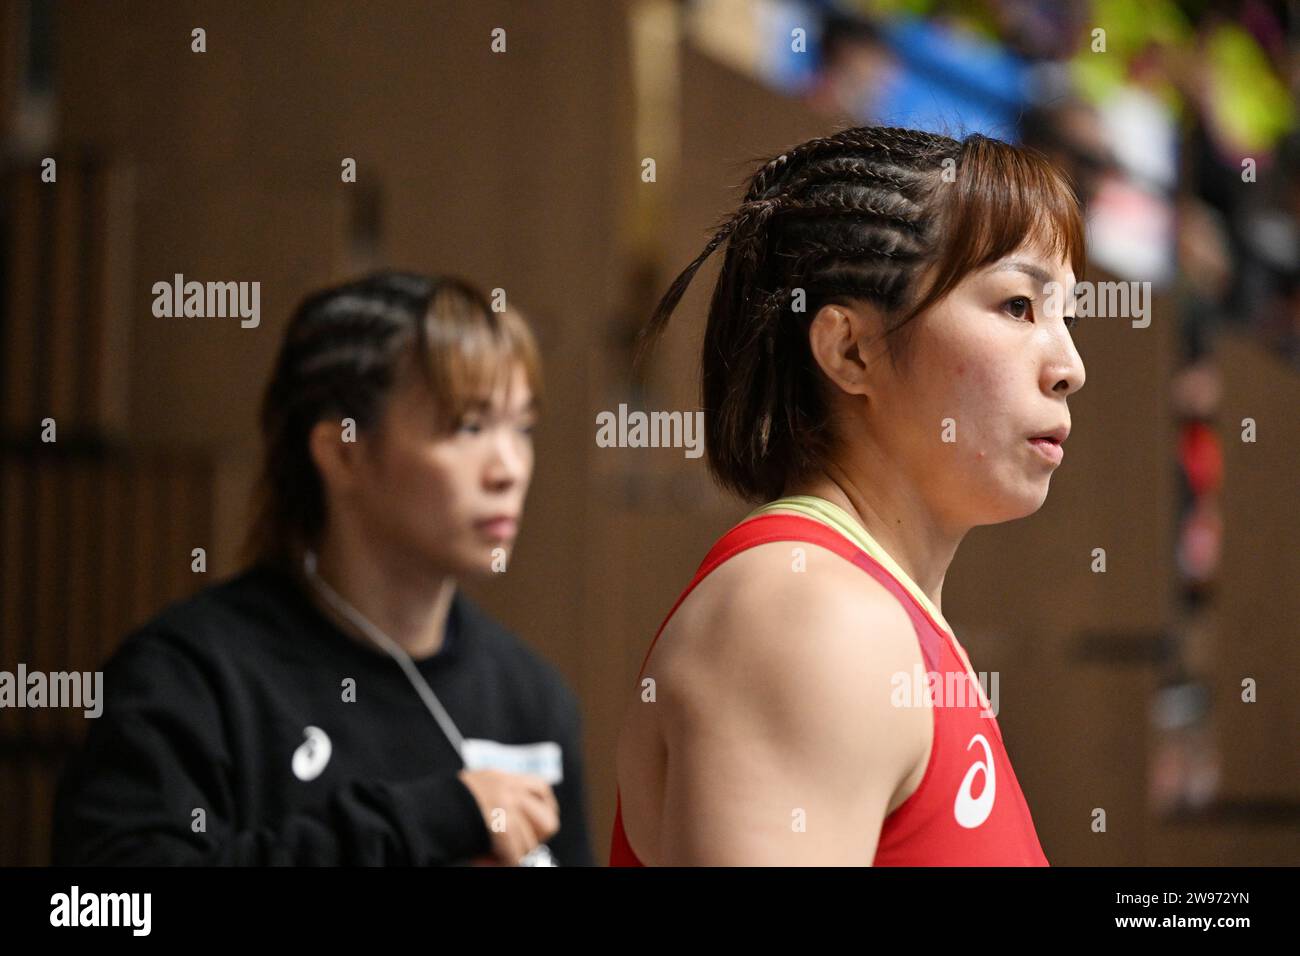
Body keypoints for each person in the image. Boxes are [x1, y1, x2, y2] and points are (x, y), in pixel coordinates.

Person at [611, 125, 1086, 865]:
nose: (1069, 366)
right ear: (850, 349)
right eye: (1019, 306)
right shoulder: (809, 619)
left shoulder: (875, 617)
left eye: (1068, 315)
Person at [52, 271, 593, 866]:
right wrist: (430, 820)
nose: (510, 468)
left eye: (523, 427)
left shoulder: (529, 697)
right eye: (469, 426)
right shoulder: (191, 676)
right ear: (343, 451)